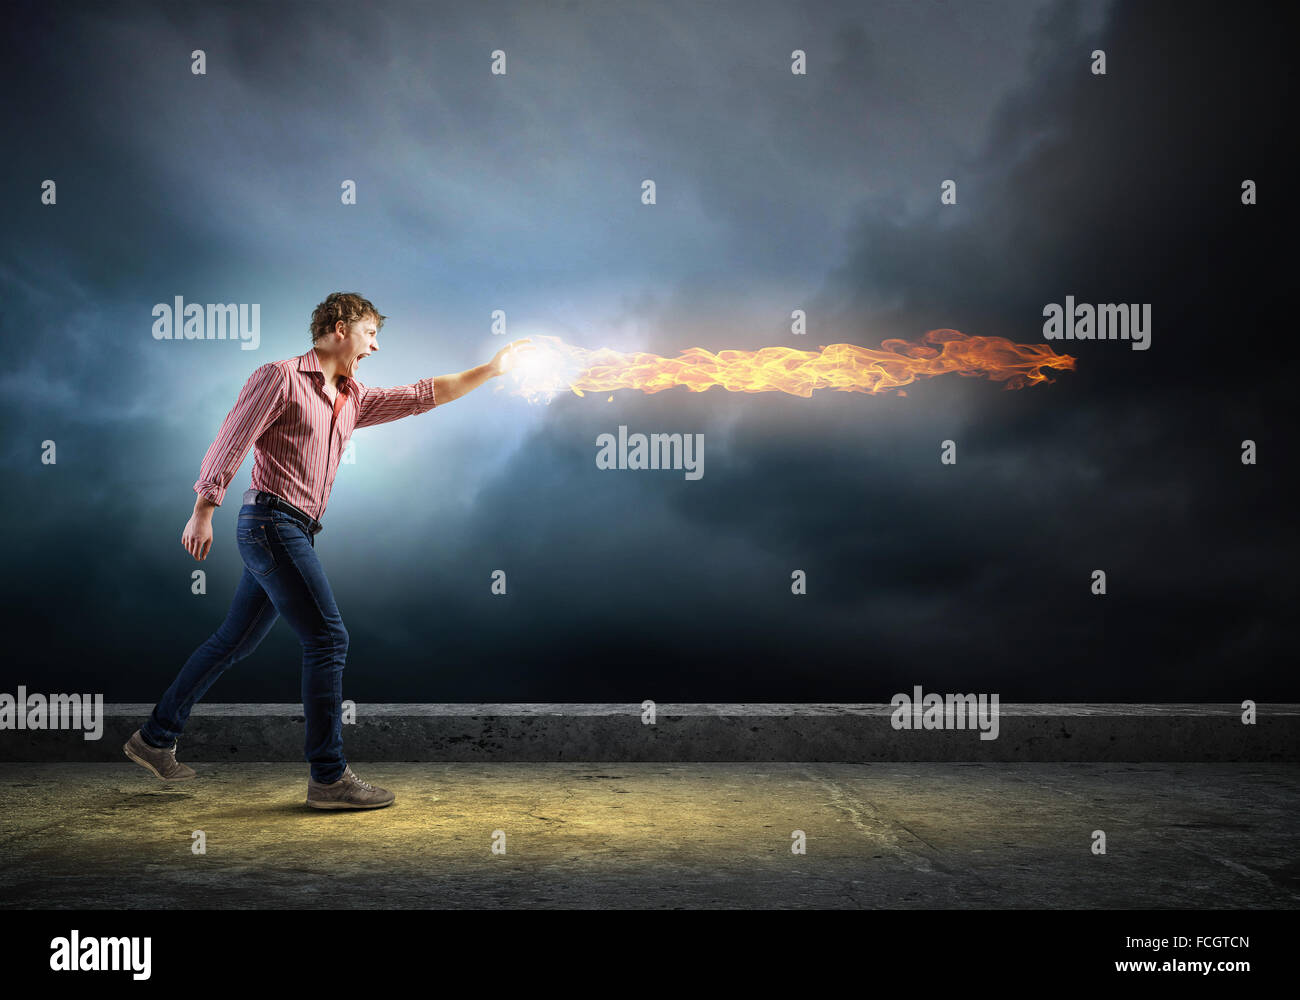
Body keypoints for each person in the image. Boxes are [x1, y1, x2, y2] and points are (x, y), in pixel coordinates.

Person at [124, 292, 531, 809]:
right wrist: (204, 507)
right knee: (328, 639)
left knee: (234, 640)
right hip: (271, 523)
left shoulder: (352, 397)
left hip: (292, 529)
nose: (375, 346)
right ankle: (328, 778)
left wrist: (493, 370)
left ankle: (155, 737)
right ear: (340, 329)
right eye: (370, 334)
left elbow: (425, 393)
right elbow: (233, 435)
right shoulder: (280, 377)